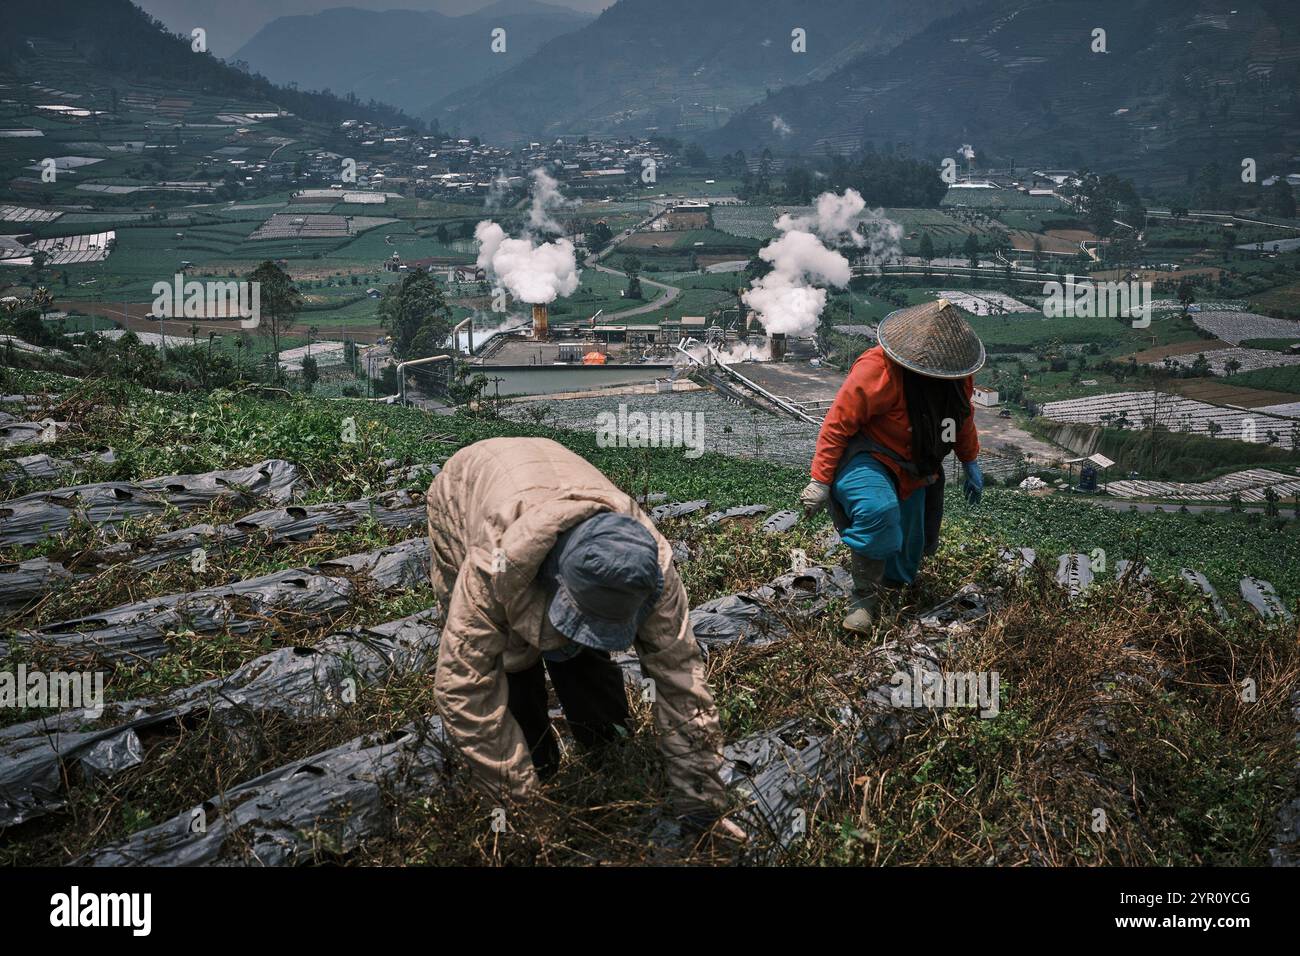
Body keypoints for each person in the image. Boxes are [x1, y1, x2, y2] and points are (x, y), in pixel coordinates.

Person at [425, 436, 738, 835]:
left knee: (580, 652)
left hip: (545, 476)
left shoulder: (649, 565)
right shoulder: (492, 559)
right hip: (465, 488)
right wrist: (523, 812)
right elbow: (463, 688)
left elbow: (681, 680)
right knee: (509, 660)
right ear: (554, 580)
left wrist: (701, 802)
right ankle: (538, 763)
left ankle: (606, 747)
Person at [800, 298, 986, 632]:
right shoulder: (878, 370)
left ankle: (892, 595)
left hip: (915, 467)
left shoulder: (958, 380)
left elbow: (960, 420)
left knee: (908, 545)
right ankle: (863, 600)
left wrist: (970, 460)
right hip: (868, 458)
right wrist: (820, 481)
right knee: (879, 512)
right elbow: (837, 424)